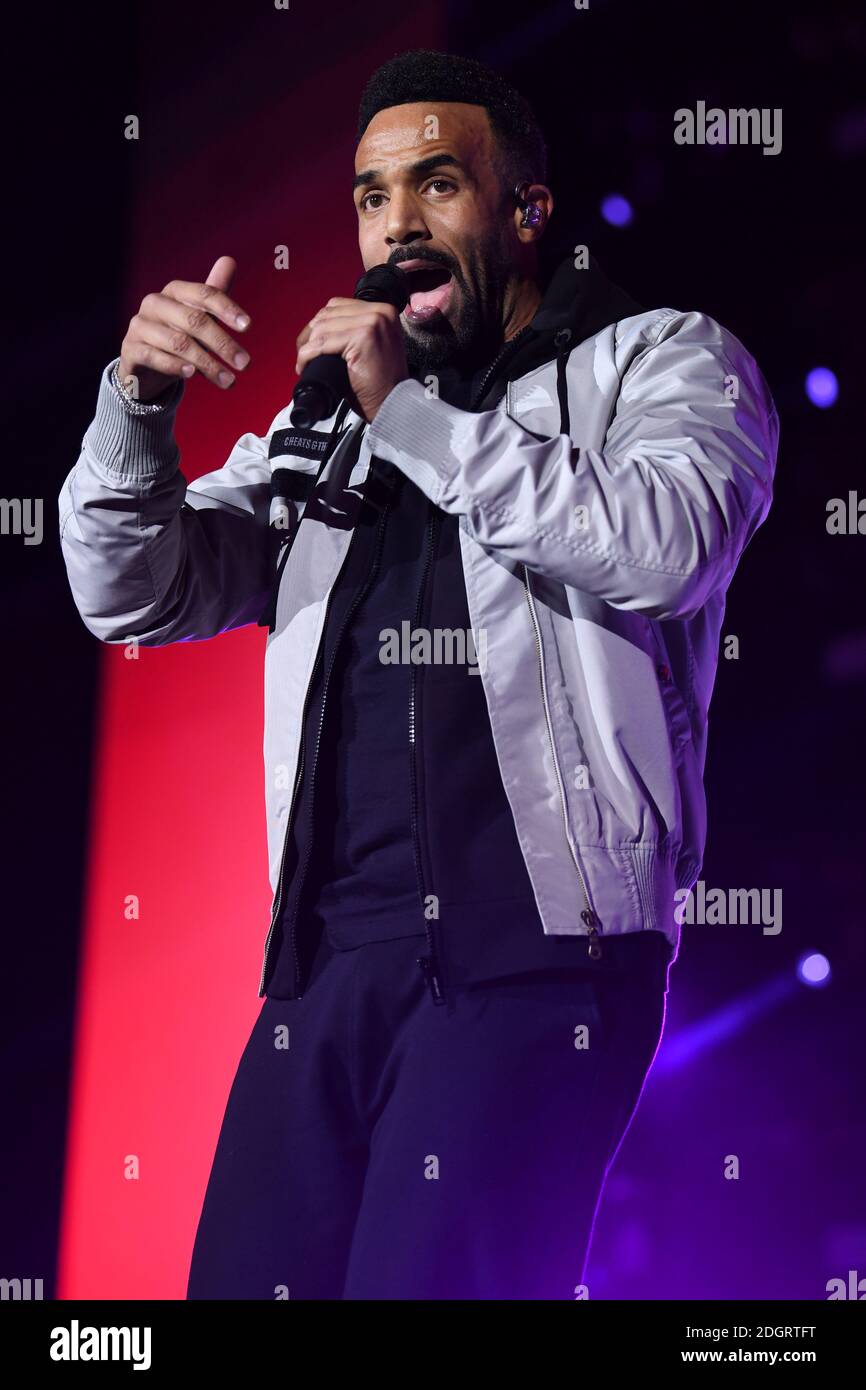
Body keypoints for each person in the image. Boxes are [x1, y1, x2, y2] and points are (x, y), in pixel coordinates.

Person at [58, 49, 778, 1299]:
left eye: (436, 184)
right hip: (324, 966)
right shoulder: (323, 426)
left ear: (524, 209)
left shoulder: (656, 362)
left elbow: (667, 543)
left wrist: (415, 421)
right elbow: (132, 588)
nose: (395, 223)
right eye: (370, 194)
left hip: (541, 960)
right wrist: (135, 407)